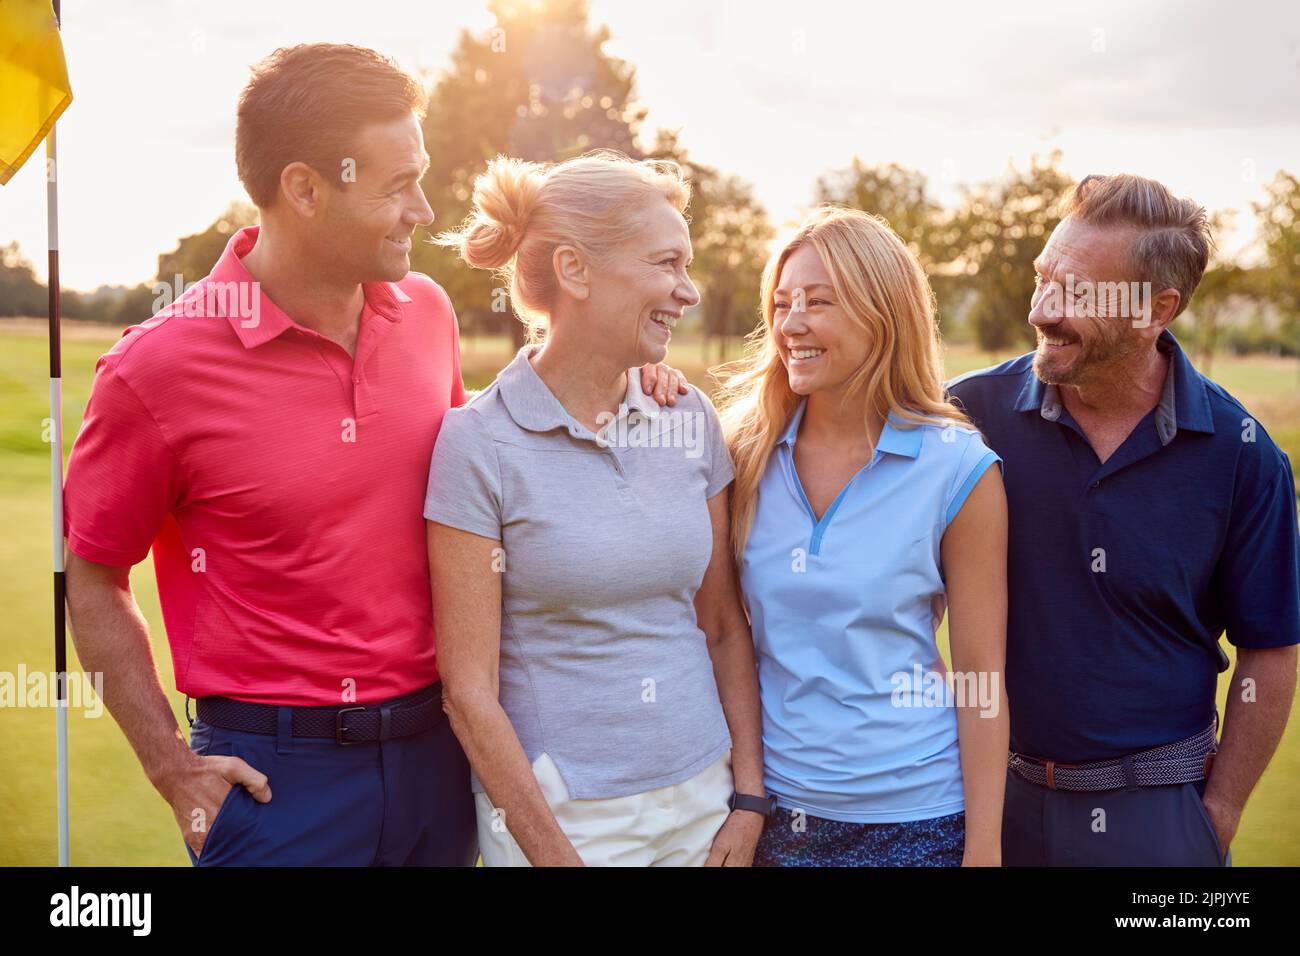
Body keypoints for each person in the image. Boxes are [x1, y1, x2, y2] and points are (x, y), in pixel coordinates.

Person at [61, 44, 684, 867]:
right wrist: (172, 768)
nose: (422, 210)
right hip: (279, 784)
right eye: (397, 187)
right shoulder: (156, 371)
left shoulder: (426, 314)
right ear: (306, 189)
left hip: (440, 757)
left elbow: (493, 462)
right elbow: (92, 576)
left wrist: (620, 354)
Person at [424, 151, 768, 866]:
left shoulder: (688, 416)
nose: (689, 290)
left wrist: (748, 800)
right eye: (666, 263)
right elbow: (469, 692)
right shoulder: (477, 442)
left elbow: (724, 627)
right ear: (575, 270)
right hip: (566, 819)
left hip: (705, 806)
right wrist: (552, 854)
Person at [947, 173, 1300, 866]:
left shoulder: (1244, 455)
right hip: (997, 807)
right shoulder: (968, 418)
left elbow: (1272, 650)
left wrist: (1215, 819)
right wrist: (666, 388)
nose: (1042, 309)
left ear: (1156, 309)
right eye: (1043, 278)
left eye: (1075, 292)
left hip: (1159, 821)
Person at [715, 206, 1009, 866]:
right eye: (783, 302)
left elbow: (981, 677)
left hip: (919, 820)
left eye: (817, 302)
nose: (791, 324)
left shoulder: (959, 468)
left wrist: (985, 849)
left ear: (883, 314)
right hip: (776, 813)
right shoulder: (740, 454)